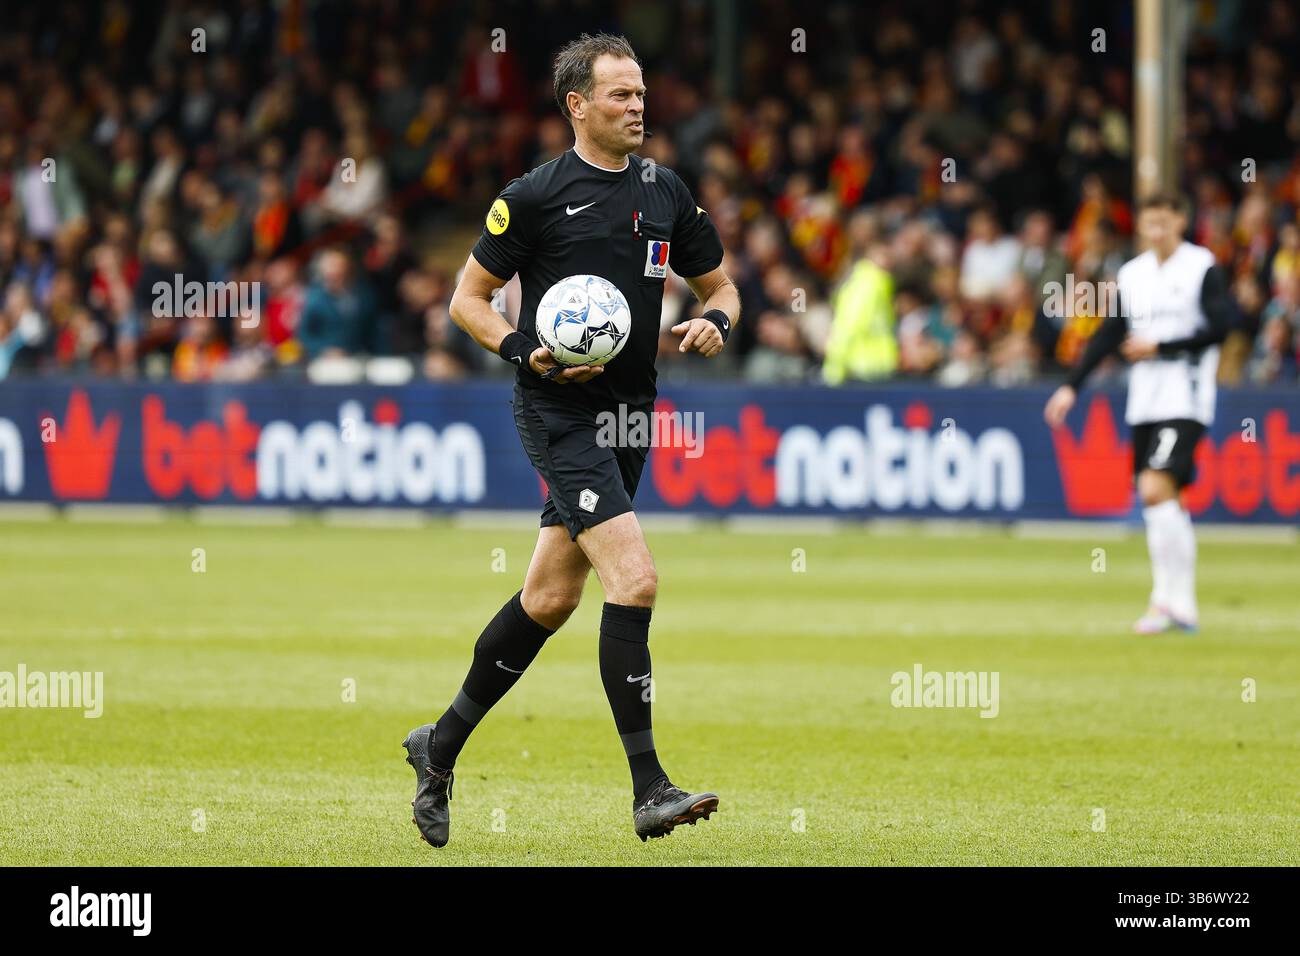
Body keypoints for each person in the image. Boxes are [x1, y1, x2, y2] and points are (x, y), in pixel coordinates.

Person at [403, 33, 740, 847]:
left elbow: (719, 282)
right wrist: (525, 349)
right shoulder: (535, 196)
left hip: (631, 417)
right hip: (559, 413)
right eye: (620, 95)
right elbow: (467, 299)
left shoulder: (666, 192)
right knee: (637, 580)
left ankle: (436, 747)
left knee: (550, 598)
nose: (638, 108)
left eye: (642, 93)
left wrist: (716, 320)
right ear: (577, 106)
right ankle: (650, 788)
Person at [1045, 192, 1230, 634]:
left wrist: (1162, 347)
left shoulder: (1201, 267)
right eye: (1150, 224)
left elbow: (1222, 326)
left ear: (1181, 222)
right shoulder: (1133, 274)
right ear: (1142, 227)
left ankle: (1172, 601)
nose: (1157, 232)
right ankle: (1171, 602)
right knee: (1165, 501)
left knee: (1153, 487)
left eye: (1165, 223)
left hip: (1185, 398)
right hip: (1145, 401)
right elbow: (1109, 335)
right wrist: (1072, 385)